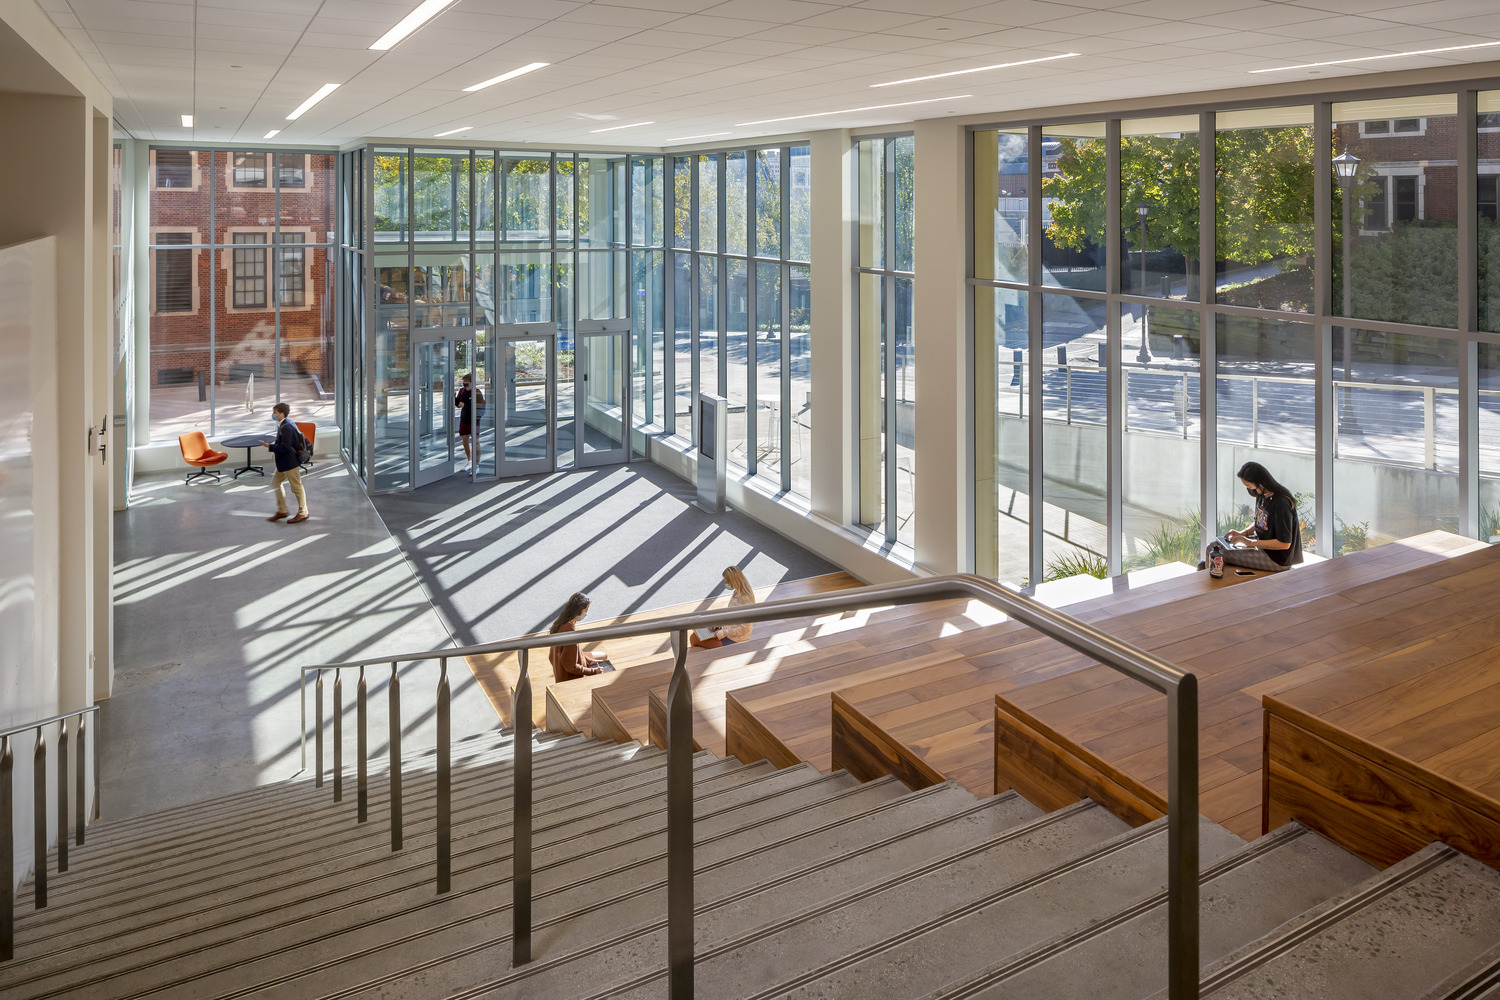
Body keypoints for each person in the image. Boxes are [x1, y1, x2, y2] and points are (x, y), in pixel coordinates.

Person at [1206, 461, 1303, 573]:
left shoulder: (1281, 502)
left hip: (1277, 559)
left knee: (1215, 552)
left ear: (1260, 483)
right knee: (1214, 546)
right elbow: (1261, 522)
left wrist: (1250, 543)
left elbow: (1284, 543)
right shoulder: (1262, 495)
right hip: (1263, 549)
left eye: (1249, 486)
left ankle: (1213, 585)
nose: (1249, 489)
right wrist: (1243, 533)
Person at [264, 401, 310, 524]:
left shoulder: (286, 428)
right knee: (275, 482)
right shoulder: (286, 424)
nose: (273, 415)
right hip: (283, 463)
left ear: (281, 414)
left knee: (296, 486)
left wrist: (270, 446)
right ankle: (282, 510)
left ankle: (303, 512)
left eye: (275, 413)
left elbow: (285, 447)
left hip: (289, 462)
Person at [689, 566, 755, 649]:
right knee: (694, 636)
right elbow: (732, 616)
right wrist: (718, 625)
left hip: (735, 638)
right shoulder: (737, 592)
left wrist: (722, 633)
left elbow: (745, 629)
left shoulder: (746, 600)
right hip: (727, 631)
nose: (726, 583)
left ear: (734, 581)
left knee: (695, 640)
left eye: (727, 581)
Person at [548, 592, 609, 681]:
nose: (586, 613)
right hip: (570, 676)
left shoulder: (560, 624)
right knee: (605, 666)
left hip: (565, 666)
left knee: (603, 655)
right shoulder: (570, 633)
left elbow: (555, 656)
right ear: (579, 610)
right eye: (586, 610)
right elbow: (571, 667)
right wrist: (593, 671)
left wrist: (589, 661)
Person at [454, 372, 483, 471]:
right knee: (464, 440)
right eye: (464, 381)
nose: (465, 383)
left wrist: (464, 406)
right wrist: (454, 398)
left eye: (467, 382)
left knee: (476, 441)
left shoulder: (477, 393)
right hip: (464, 419)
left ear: (472, 383)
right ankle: (469, 461)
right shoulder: (462, 391)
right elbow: (458, 404)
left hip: (474, 420)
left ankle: (477, 465)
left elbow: (478, 408)